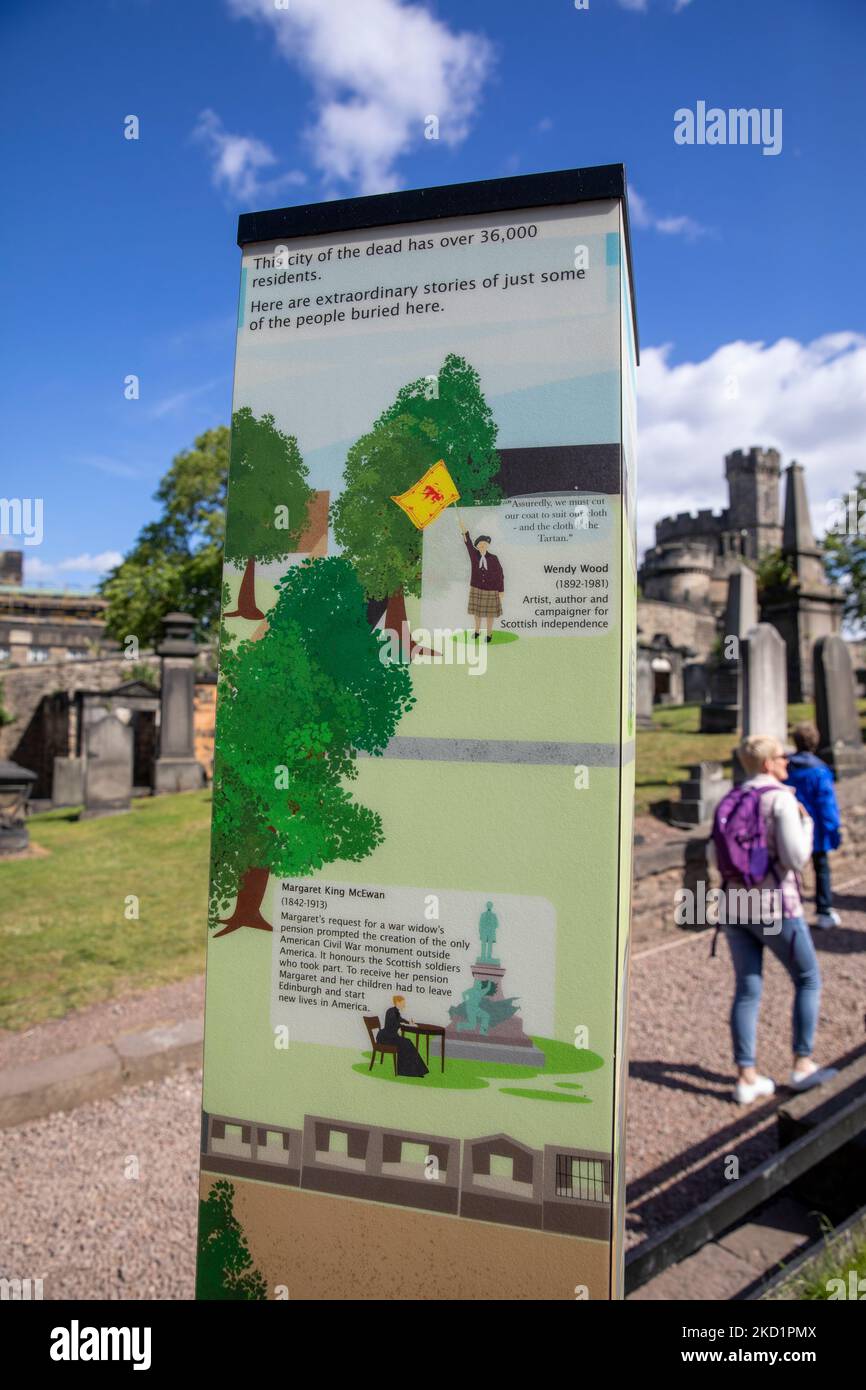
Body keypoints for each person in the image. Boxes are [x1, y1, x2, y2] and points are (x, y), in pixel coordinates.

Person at [718, 734, 836, 1105]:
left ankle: (746, 1077)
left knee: (748, 988)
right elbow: (797, 858)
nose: (787, 762)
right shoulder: (781, 800)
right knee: (808, 979)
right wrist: (807, 824)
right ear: (768, 763)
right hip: (775, 907)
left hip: (736, 906)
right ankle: (802, 1066)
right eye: (782, 757)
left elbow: (712, 852)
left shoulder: (730, 798)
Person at [785, 721, 842, 929]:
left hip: (790, 826)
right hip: (816, 828)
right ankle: (824, 911)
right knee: (822, 869)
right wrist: (833, 828)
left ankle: (793, 911)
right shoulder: (819, 770)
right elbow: (827, 803)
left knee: (792, 871)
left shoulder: (785, 767)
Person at [458, 514, 504, 642]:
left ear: (488, 545)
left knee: (490, 615)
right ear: (477, 546)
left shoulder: (494, 558)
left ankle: (489, 634)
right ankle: (477, 632)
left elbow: (500, 574)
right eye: (480, 544)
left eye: (485, 544)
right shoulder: (474, 555)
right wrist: (464, 530)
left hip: (491, 589)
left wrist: (501, 590)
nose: (483, 546)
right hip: (476, 588)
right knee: (477, 613)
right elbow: (468, 543)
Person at [376, 995, 428, 1077]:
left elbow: (400, 1020)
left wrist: (408, 1023)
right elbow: (392, 1024)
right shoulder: (391, 1011)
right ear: (397, 1003)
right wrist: (400, 1024)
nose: (404, 1005)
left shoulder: (396, 1012)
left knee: (407, 1042)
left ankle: (416, 1071)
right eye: (403, 1003)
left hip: (392, 1037)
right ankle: (407, 1071)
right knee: (407, 1043)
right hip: (386, 1038)